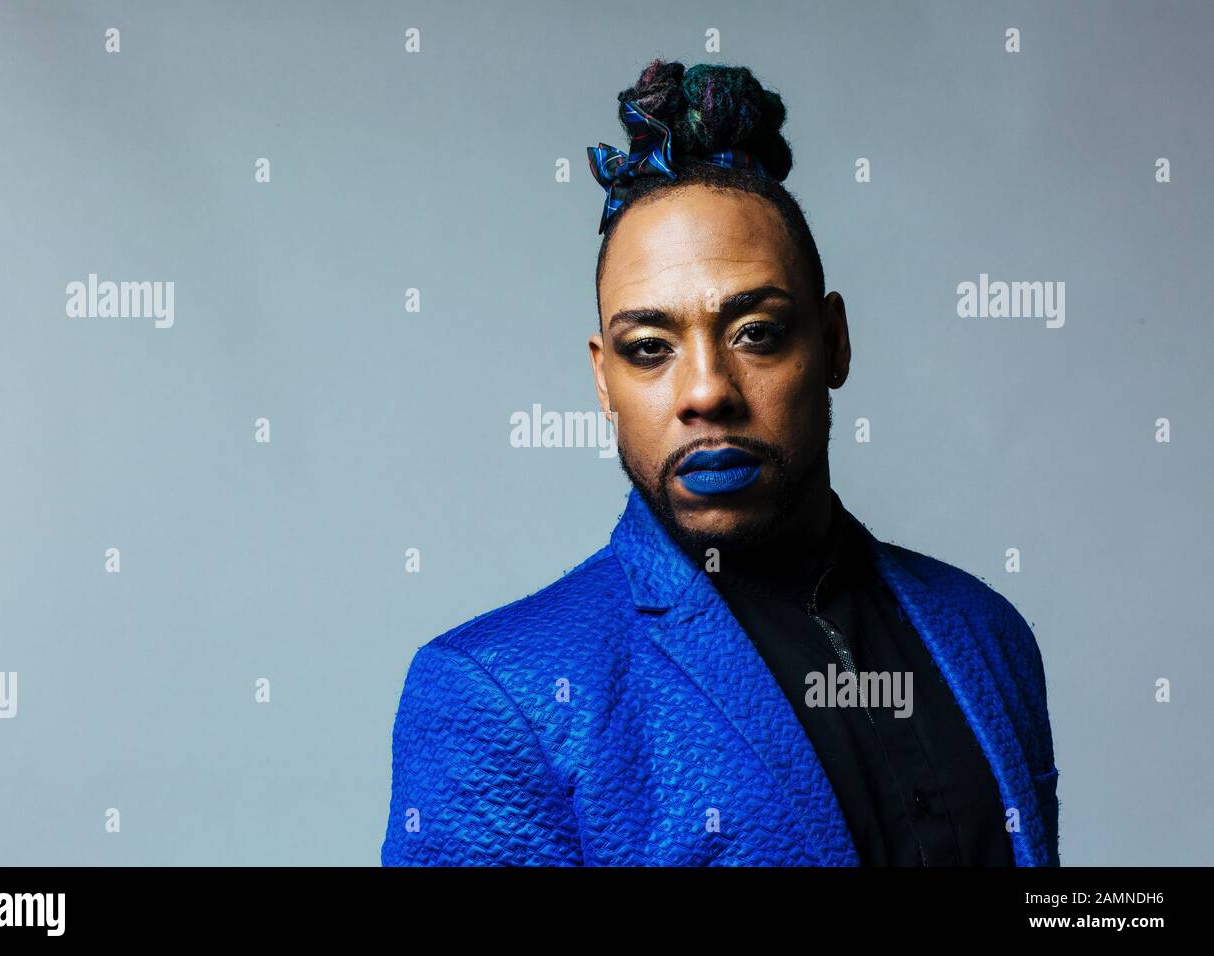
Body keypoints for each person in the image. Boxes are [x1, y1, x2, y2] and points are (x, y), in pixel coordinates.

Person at [381, 59, 1059, 866]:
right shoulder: (497, 696)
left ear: (834, 341)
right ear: (603, 379)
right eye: (649, 348)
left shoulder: (985, 632)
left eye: (757, 332)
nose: (705, 392)